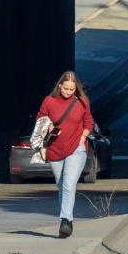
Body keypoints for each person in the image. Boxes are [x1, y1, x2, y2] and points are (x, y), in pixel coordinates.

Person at [36, 71, 94, 239]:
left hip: (77, 148)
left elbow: (88, 122)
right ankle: (67, 218)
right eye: (66, 88)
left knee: (69, 185)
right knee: (61, 186)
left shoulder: (81, 102)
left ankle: (65, 221)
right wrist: (48, 126)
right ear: (59, 86)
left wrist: (82, 137)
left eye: (72, 89)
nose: (68, 92)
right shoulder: (49, 101)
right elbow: (41, 118)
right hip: (55, 150)